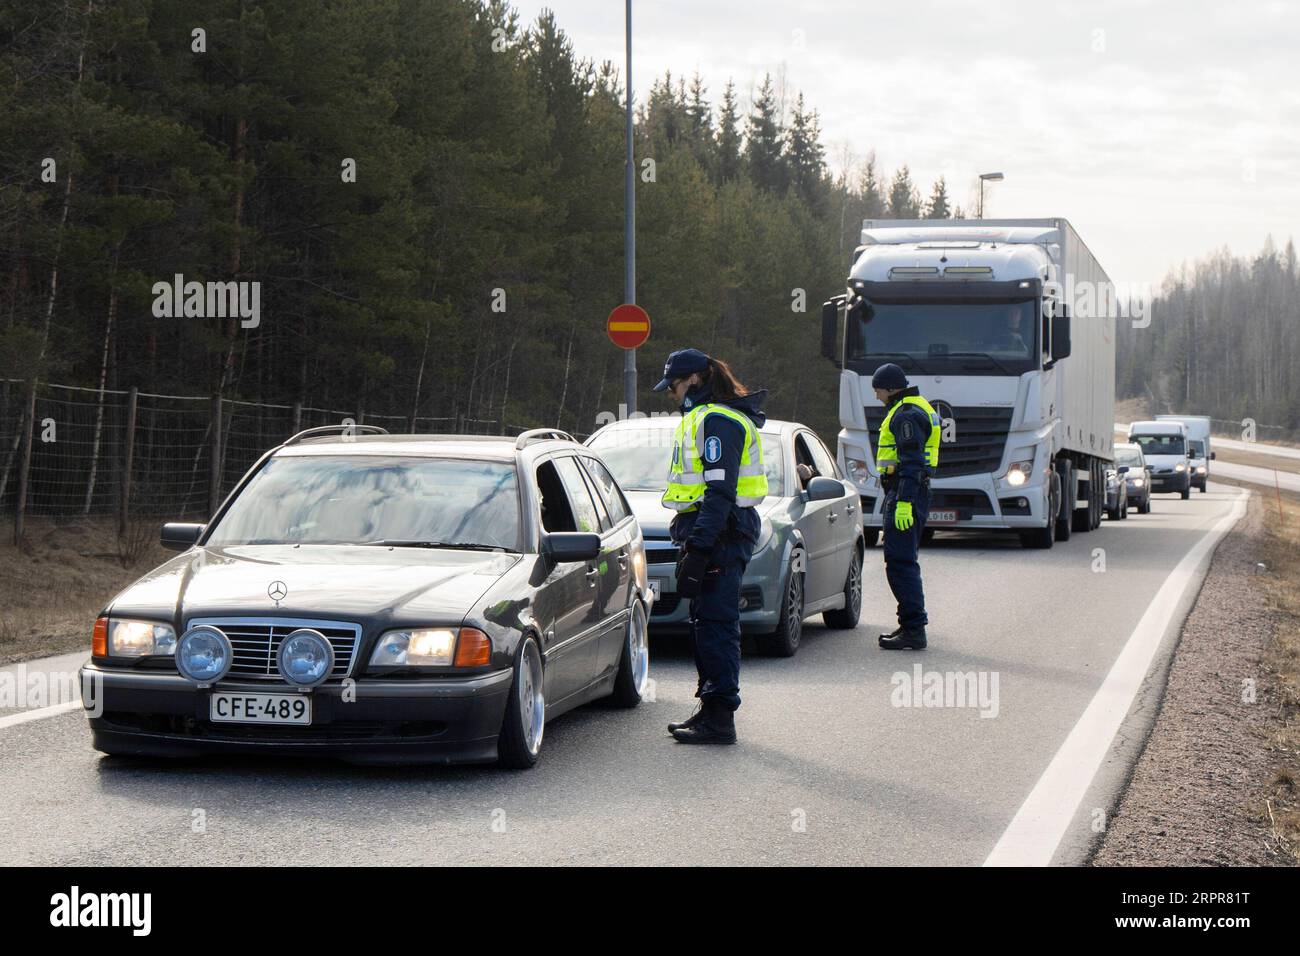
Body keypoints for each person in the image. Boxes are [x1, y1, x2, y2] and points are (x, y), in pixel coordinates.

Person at [654, 348, 768, 744]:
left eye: (675, 385)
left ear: (696, 380)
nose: (672, 393)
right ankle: (710, 709)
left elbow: (720, 491)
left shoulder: (718, 421)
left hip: (721, 535)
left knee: (717, 625)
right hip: (710, 532)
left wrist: (700, 548)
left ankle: (721, 718)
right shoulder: (705, 417)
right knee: (705, 625)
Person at [872, 362, 939, 650]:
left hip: (905, 492)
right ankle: (909, 625)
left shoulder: (906, 415)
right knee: (902, 561)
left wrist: (903, 503)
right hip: (908, 492)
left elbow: (911, 464)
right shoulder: (915, 407)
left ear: (889, 388)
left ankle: (913, 628)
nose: (876, 397)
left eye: (877, 391)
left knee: (900, 563)